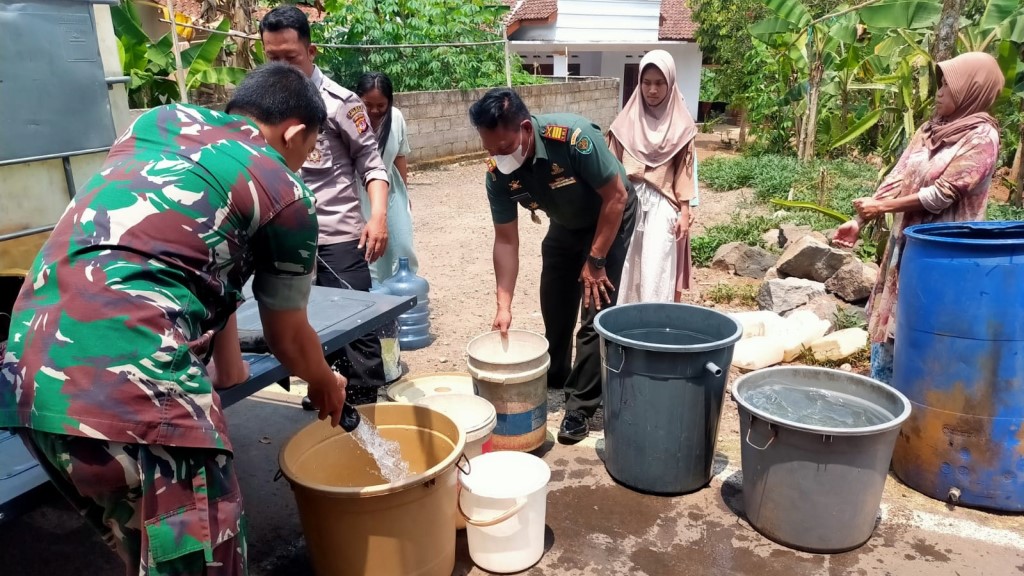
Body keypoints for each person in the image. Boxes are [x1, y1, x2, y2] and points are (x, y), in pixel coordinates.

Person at [0, 63, 348, 576]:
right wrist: (325, 382)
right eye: (308, 149)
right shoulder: (283, 190)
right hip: (139, 388)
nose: (302, 164)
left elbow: (191, 255)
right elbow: (289, 334)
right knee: (209, 566)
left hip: (29, 382)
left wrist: (228, 368)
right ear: (294, 131)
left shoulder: (157, 124)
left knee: (156, 560)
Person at [469, 88, 637, 444]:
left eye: (502, 147)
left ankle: (580, 406)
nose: (496, 156)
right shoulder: (497, 174)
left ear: (526, 129)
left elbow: (617, 196)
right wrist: (504, 305)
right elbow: (506, 240)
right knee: (555, 300)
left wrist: (595, 260)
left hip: (610, 216)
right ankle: (556, 373)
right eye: (488, 149)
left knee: (594, 308)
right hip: (566, 222)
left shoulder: (573, 139)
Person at [832, 51, 1004, 384]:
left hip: (946, 255)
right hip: (907, 247)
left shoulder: (982, 138)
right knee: (892, 333)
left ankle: (922, 415)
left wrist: (881, 208)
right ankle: (886, 410)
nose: (938, 92)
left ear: (972, 90)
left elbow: (942, 195)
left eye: (947, 86)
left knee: (928, 333)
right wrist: (859, 220)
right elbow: (898, 177)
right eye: (938, 84)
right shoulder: (930, 130)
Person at [260, 6, 391, 407]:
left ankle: (366, 407)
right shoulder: (263, 102)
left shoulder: (340, 103)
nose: (282, 66)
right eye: (272, 58)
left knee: (356, 326)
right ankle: (326, 390)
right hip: (282, 237)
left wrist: (378, 217)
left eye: (291, 57)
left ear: (311, 51)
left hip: (335, 235)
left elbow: (371, 163)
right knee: (303, 323)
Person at [607, 50, 699, 303]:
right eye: (646, 83)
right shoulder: (624, 123)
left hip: (662, 205)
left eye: (660, 83)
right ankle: (623, 328)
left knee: (656, 267)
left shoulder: (683, 127)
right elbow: (609, 167)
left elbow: (684, 172)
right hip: (627, 201)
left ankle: (655, 329)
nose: (653, 90)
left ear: (670, 83)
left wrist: (684, 211)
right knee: (624, 266)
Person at [354, 71, 418, 285]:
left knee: (403, 248)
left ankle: (406, 297)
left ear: (390, 102)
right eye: (367, 104)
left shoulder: (396, 118)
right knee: (370, 251)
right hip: (359, 194)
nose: (373, 111)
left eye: (381, 106)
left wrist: (405, 195)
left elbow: (399, 156)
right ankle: (377, 302)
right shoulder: (347, 120)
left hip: (392, 192)